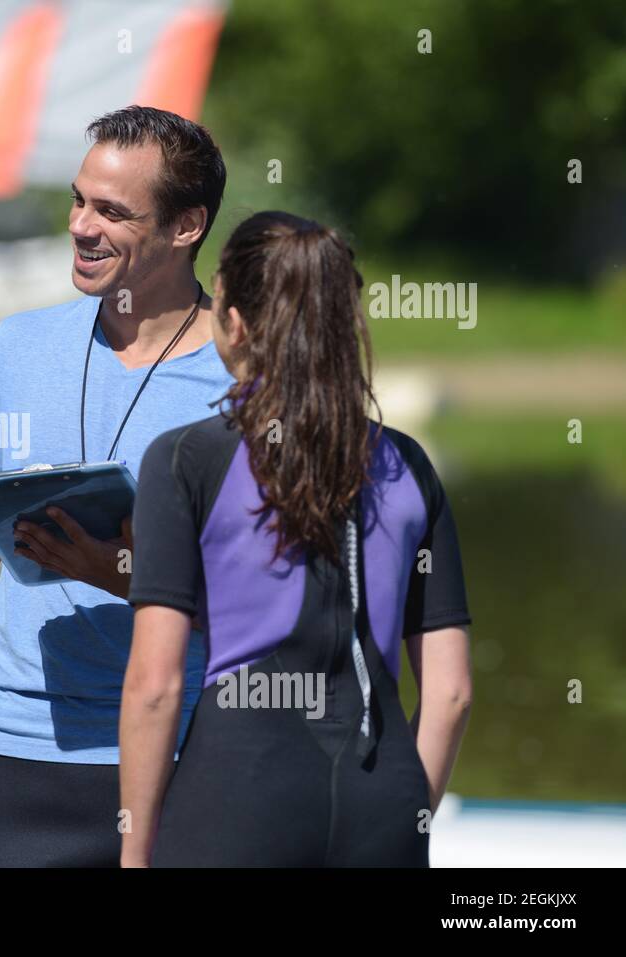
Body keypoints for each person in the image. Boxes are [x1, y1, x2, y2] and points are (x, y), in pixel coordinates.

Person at [0, 105, 236, 866]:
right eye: (78, 199)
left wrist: (123, 575)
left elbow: (269, 614)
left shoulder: (241, 376)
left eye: (113, 211)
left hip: (176, 751)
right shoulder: (22, 345)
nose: (81, 226)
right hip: (15, 748)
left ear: (186, 226)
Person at [120, 211, 473, 867]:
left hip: (237, 803)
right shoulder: (409, 464)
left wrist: (133, 855)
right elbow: (450, 693)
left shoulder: (185, 459)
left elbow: (155, 684)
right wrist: (400, 814)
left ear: (237, 323)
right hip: (383, 807)